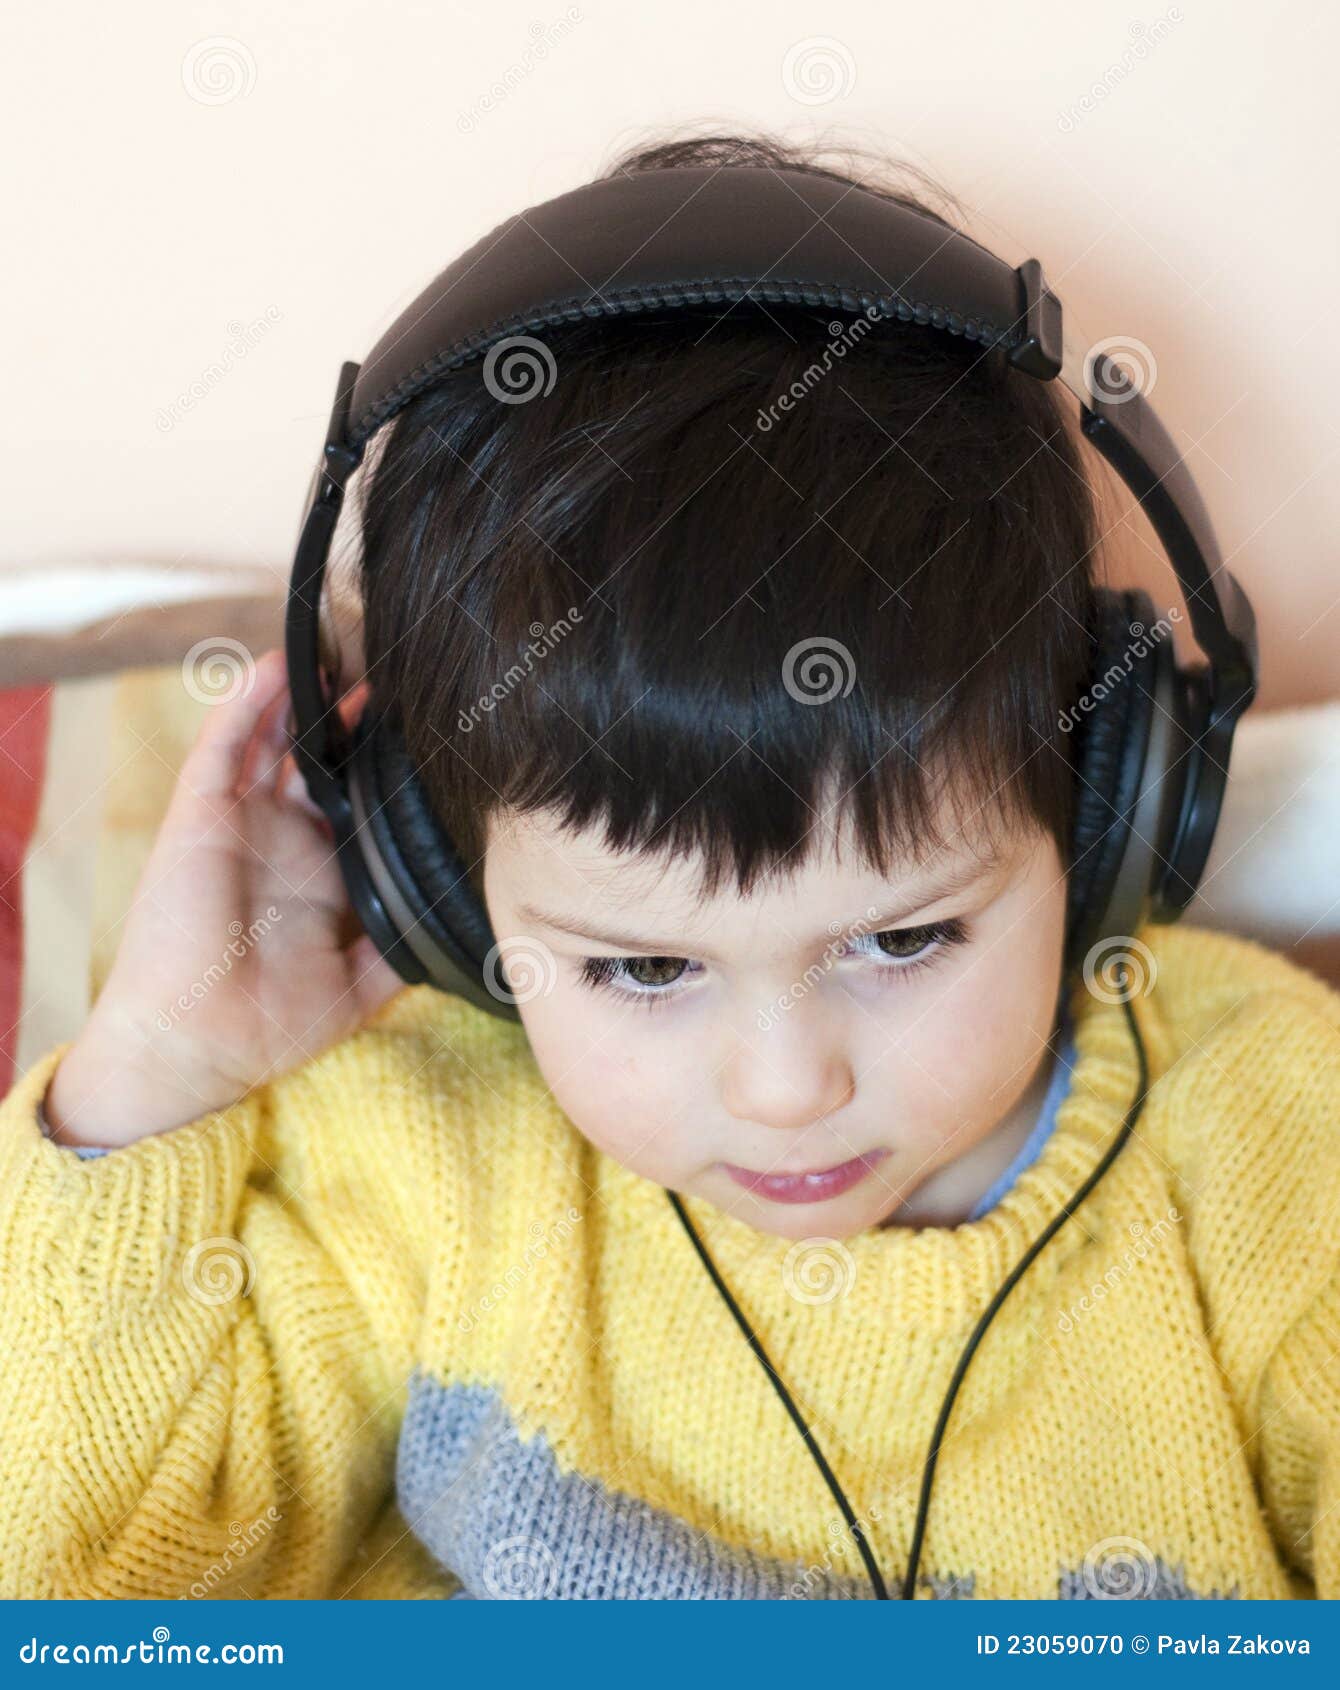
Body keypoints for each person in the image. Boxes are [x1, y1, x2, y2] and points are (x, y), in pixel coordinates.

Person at [3, 133, 1339, 1602]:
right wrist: (149, 1073)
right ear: (436, 889)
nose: (786, 1087)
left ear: (1105, 810)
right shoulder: (411, 1167)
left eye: (902, 940)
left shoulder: (1272, 1131)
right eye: (644, 966)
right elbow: (77, 1591)